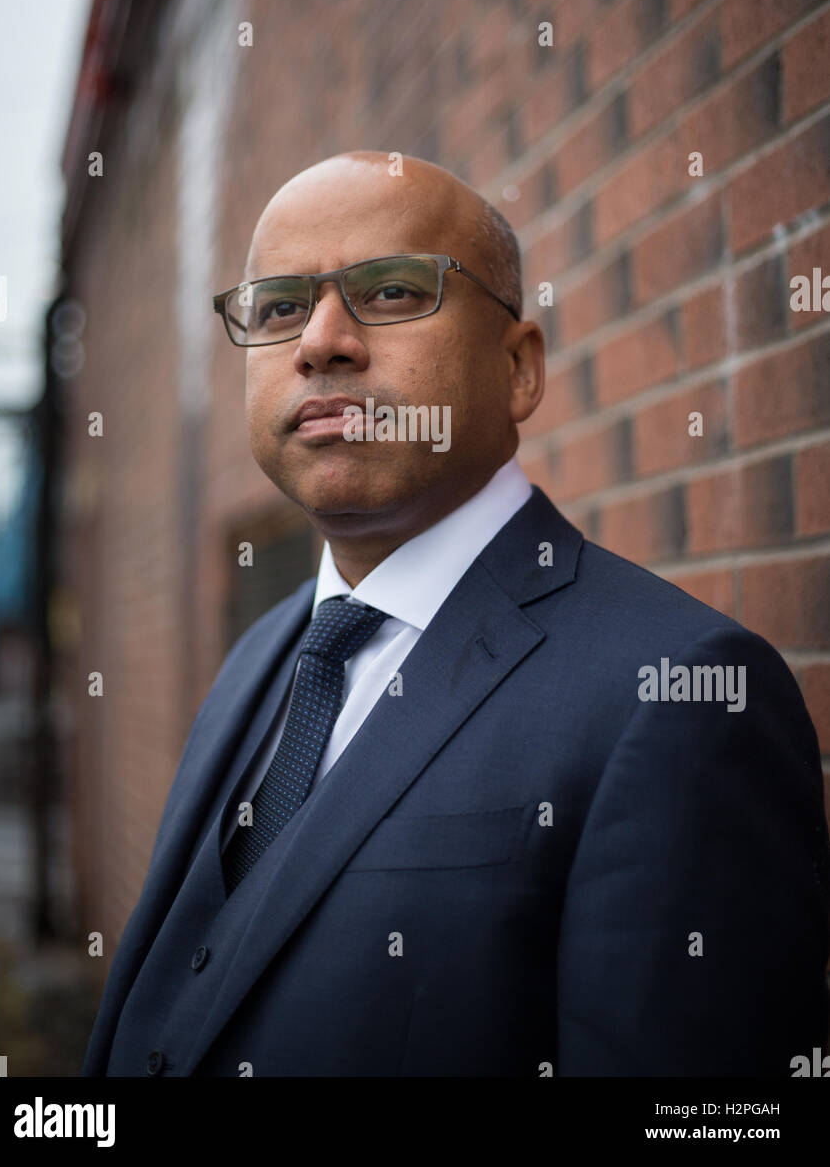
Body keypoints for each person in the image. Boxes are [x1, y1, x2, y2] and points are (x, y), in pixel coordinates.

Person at [81, 151, 830, 1077]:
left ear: (519, 369)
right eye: (278, 306)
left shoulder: (675, 696)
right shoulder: (258, 659)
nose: (320, 341)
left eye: (392, 292)